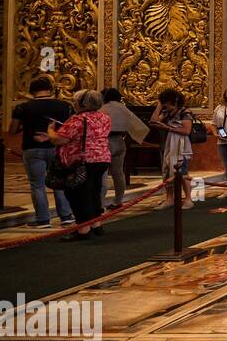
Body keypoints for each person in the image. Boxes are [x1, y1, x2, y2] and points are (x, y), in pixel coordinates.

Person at [45, 89, 112, 240]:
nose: (73, 104)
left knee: (78, 195)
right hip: (101, 159)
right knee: (94, 192)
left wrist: (50, 130)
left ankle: (83, 229)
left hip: (82, 161)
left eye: (75, 101)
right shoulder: (104, 117)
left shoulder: (78, 119)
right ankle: (97, 225)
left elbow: (59, 140)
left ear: (83, 103)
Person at [9, 76, 73, 227]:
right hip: (56, 147)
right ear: (50, 90)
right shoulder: (64, 106)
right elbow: (69, 128)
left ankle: (43, 220)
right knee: (59, 182)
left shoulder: (23, 107)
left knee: (37, 185)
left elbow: (12, 130)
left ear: (31, 91)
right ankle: (66, 216)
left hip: (32, 148)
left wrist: (25, 126)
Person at [100, 87, 149, 209]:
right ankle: (118, 201)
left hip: (105, 141)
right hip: (120, 142)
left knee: (102, 174)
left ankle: (99, 204)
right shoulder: (124, 109)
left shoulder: (103, 109)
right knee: (118, 174)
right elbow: (138, 127)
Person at [150, 89, 195, 209]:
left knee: (183, 173)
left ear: (174, 102)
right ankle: (169, 198)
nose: (166, 107)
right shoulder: (166, 112)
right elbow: (153, 122)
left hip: (181, 146)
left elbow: (186, 131)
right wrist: (159, 106)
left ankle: (188, 199)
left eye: (166, 104)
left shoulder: (185, 112)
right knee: (166, 172)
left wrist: (168, 128)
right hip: (169, 145)